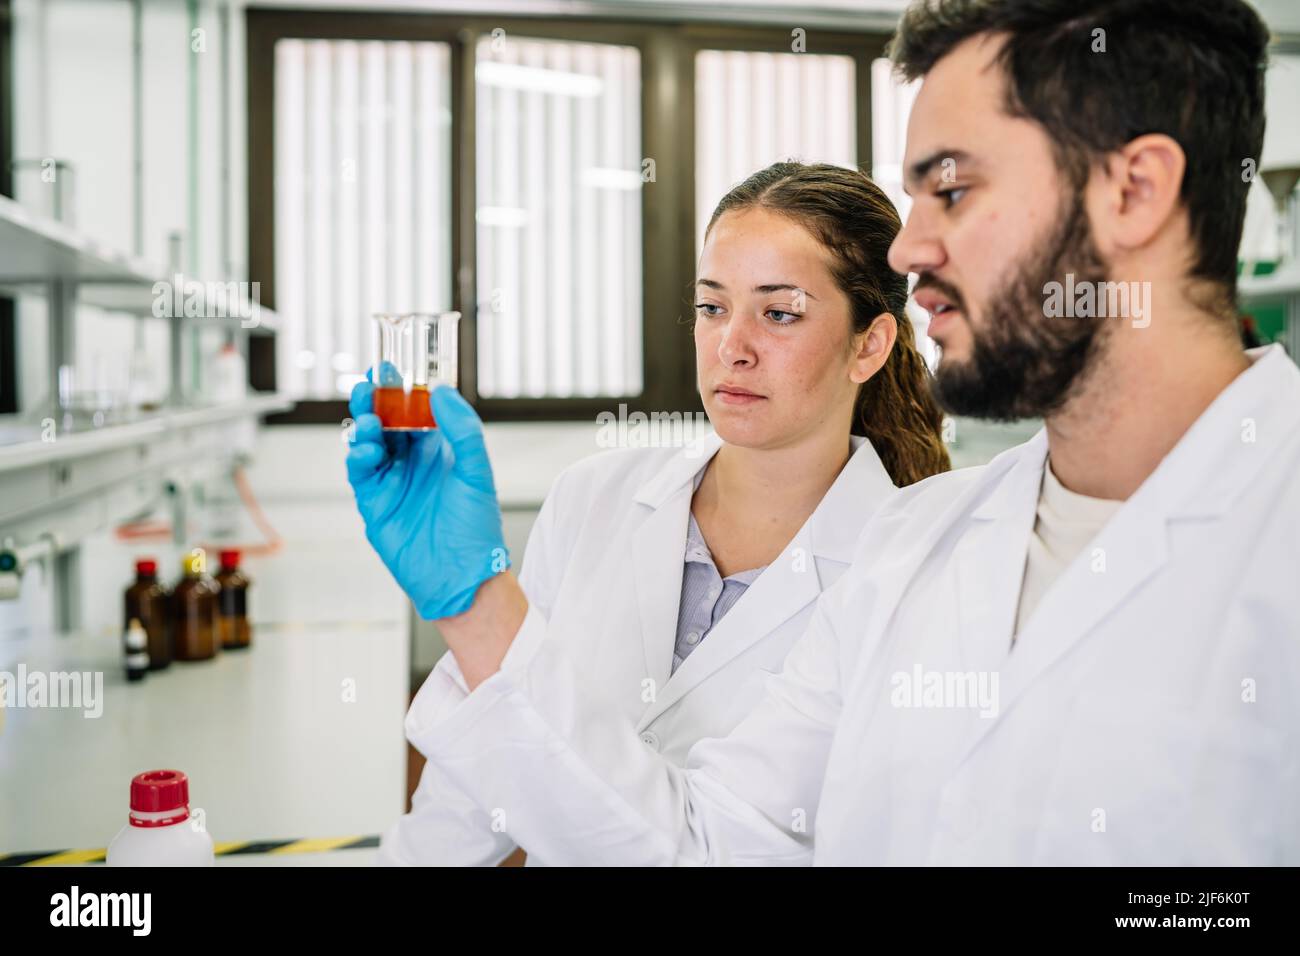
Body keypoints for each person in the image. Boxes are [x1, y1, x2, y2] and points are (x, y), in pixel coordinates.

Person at [360, 0, 1300, 865]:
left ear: (1135, 191)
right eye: (711, 307)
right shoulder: (919, 545)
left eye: (954, 190)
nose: (907, 249)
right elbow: (705, 848)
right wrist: (477, 604)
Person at [351, 162, 950, 865]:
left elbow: (706, 848)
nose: (733, 347)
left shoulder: (909, 574)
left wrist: (481, 609)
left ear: (869, 345)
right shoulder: (592, 498)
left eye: (779, 312)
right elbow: (469, 804)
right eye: (712, 307)